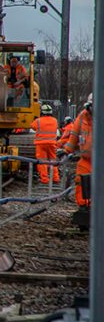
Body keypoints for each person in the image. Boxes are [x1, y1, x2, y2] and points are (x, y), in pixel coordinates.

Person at [59, 93, 93, 225]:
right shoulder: (83, 116)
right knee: (81, 181)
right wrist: (66, 150)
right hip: (87, 159)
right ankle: (84, 208)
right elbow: (74, 135)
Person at [31, 103, 60, 184]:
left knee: (42, 162)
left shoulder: (38, 121)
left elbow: (32, 127)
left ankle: (44, 179)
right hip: (52, 143)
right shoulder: (55, 120)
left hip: (41, 144)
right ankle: (56, 178)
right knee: (53, 161)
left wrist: (35, 119)